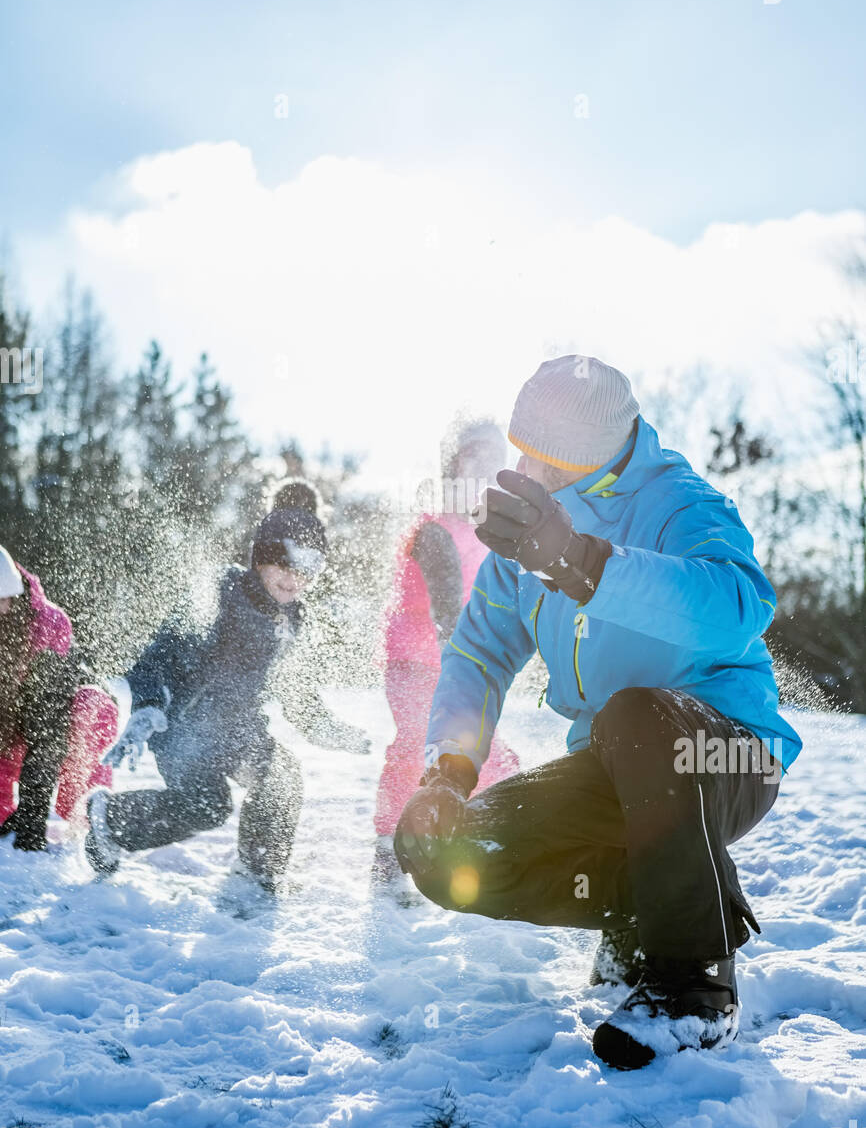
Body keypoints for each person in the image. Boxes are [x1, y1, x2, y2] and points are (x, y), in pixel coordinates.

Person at [394, 355, 802, 1071]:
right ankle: (651, 907)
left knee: (637, 717)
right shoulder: (528, 534)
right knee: (444, 852)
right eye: (521, 447)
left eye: (540, 454)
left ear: (583, 459)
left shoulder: (679, 502)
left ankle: (694, 985)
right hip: (619, 769)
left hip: (726, 755)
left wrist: (583, 564)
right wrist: (448, 774)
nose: (523, 465)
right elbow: (478, 653)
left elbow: (739, 609)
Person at [85, 505, 370, 889]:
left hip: (240, 730)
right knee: (207, 806)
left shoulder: (292, 619)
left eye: (306, 572)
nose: (293, 580)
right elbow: (159, 652)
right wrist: (149, 705)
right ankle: (113, 820)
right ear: (260, 560)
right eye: (285, 566)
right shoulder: (219, 593)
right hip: (186, 731)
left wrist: (325, 728)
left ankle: (258, 872)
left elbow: (295, 688)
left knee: (281, 777)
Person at [373, 419, 519, 886]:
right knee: (419, 745)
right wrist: (455, 639)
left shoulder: (486, 531)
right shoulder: (434, 528)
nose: (484, 469)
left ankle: (498, 841)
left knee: (491, 755)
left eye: (494, 460)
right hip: (413, 661)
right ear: (454, 465)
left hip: (453, 666)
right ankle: (389, 851)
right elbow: (445, 592)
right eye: (474, 458)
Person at [0, 544, 118, 851]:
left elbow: (47, 726)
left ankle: (96, 814)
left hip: (70, 713)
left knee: (81, 718)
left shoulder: (46, 626)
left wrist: (33, 815)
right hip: (14, 720)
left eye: (3, 601)